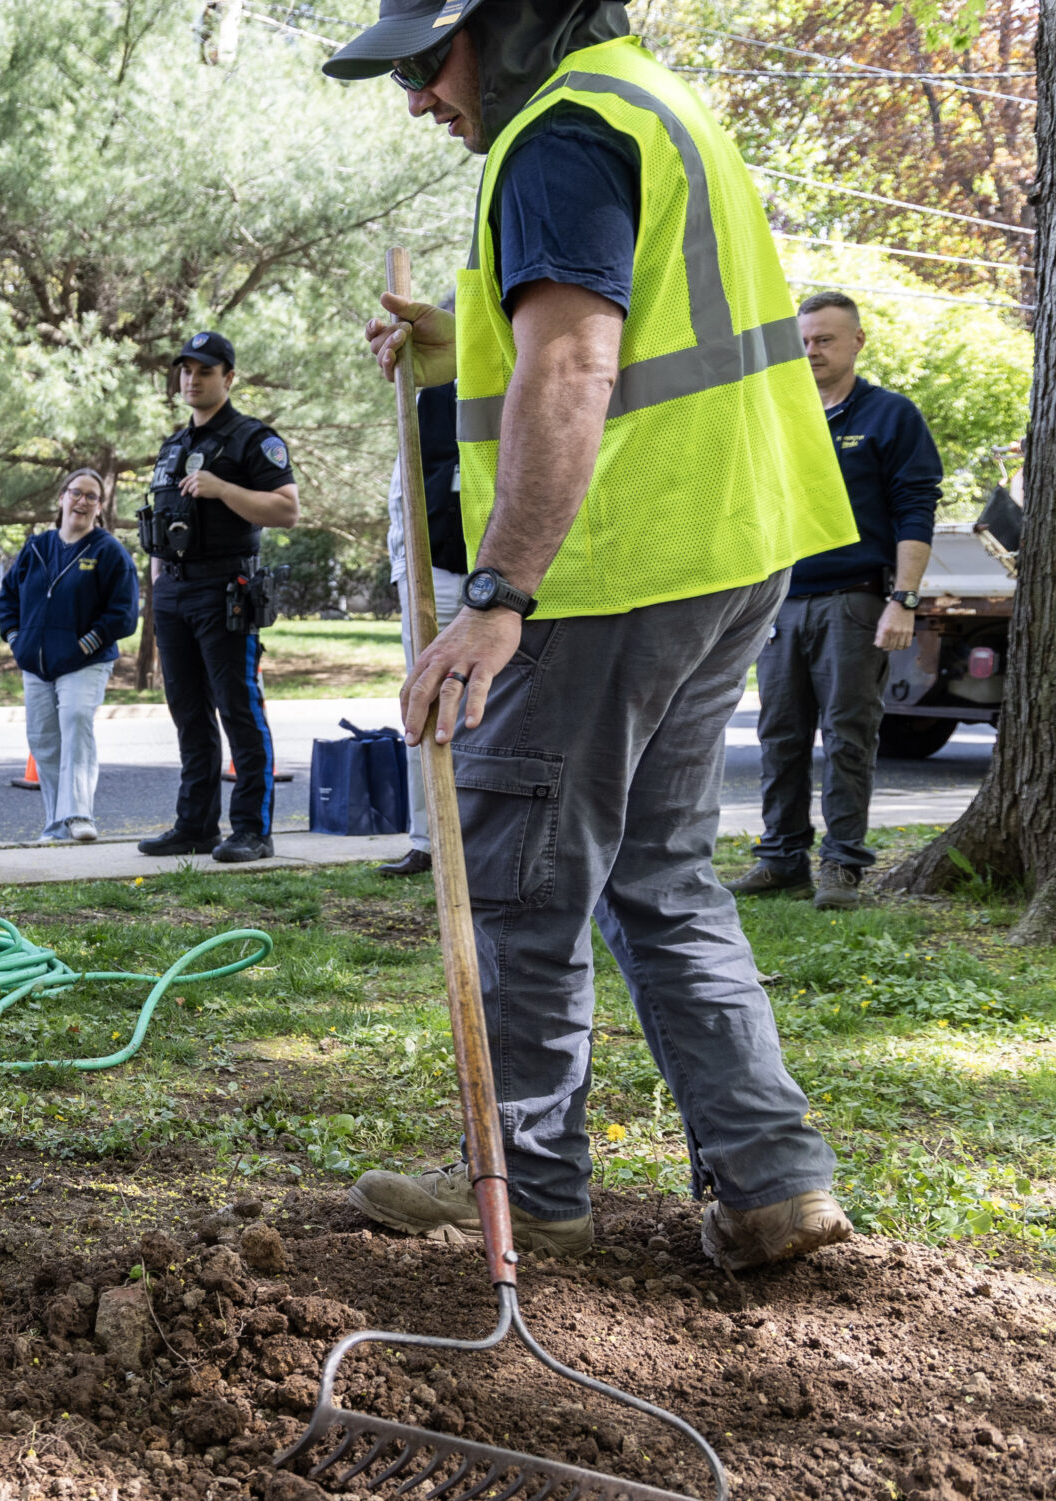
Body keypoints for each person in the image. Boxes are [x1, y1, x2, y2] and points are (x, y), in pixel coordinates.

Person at [328, 0, 861, 1271]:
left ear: (506, 23)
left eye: (423, 61)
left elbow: (574, 370)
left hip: (607, 570)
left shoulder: (557, 136)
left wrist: (497, 595)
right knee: (659, 876)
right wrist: (461, 346)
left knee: (521, 877)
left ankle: (528, 1185)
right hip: (725, 545)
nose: (415, 97)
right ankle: (772, 1181)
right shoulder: (651, 101)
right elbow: (623, 331)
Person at [732, 291, 944, 910]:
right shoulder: (781, 416)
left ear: (857, 342)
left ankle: (843, 866)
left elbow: (914, 510)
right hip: (780, 602)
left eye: (825, 339)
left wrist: (902, 600)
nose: (812, 350)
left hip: (853, 602)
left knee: (848, 736)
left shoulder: (890, 416)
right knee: (779, 734)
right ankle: (781, 859)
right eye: (803, 340)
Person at [132, 330, 299, 864]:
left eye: (204, 371)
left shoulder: (253, 439)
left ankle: (252, 829)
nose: (192, 380)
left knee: (239, 710)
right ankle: (195, 825)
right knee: (188, 713)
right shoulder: (175, 446)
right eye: (185, 370)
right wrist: (159, 580)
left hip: (225, 589)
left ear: (228, 377)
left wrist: (224, 489)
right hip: (174, 593)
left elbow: (286, 510)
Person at [0, 467, 138, 842]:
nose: (82, 501)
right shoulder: (36, 548)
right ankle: (56, 826)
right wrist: (16, 640)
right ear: (61, 497)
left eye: (92, 496)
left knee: (75, 721)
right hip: (37, 665)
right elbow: (7, 599)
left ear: (100, 507)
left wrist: (84, 645)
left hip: (85, 662)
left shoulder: (108, 552)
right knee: (42, 740)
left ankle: (78, 815)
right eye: (76, 493)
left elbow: (123, 614)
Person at [380, 373, 469, 877]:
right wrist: (406, 574)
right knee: (424, 703)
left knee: (490, 709)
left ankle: (480, 838)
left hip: (491, 577)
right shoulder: (425, 400)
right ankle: (426, 841)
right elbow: (401, 492)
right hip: (430, 574)